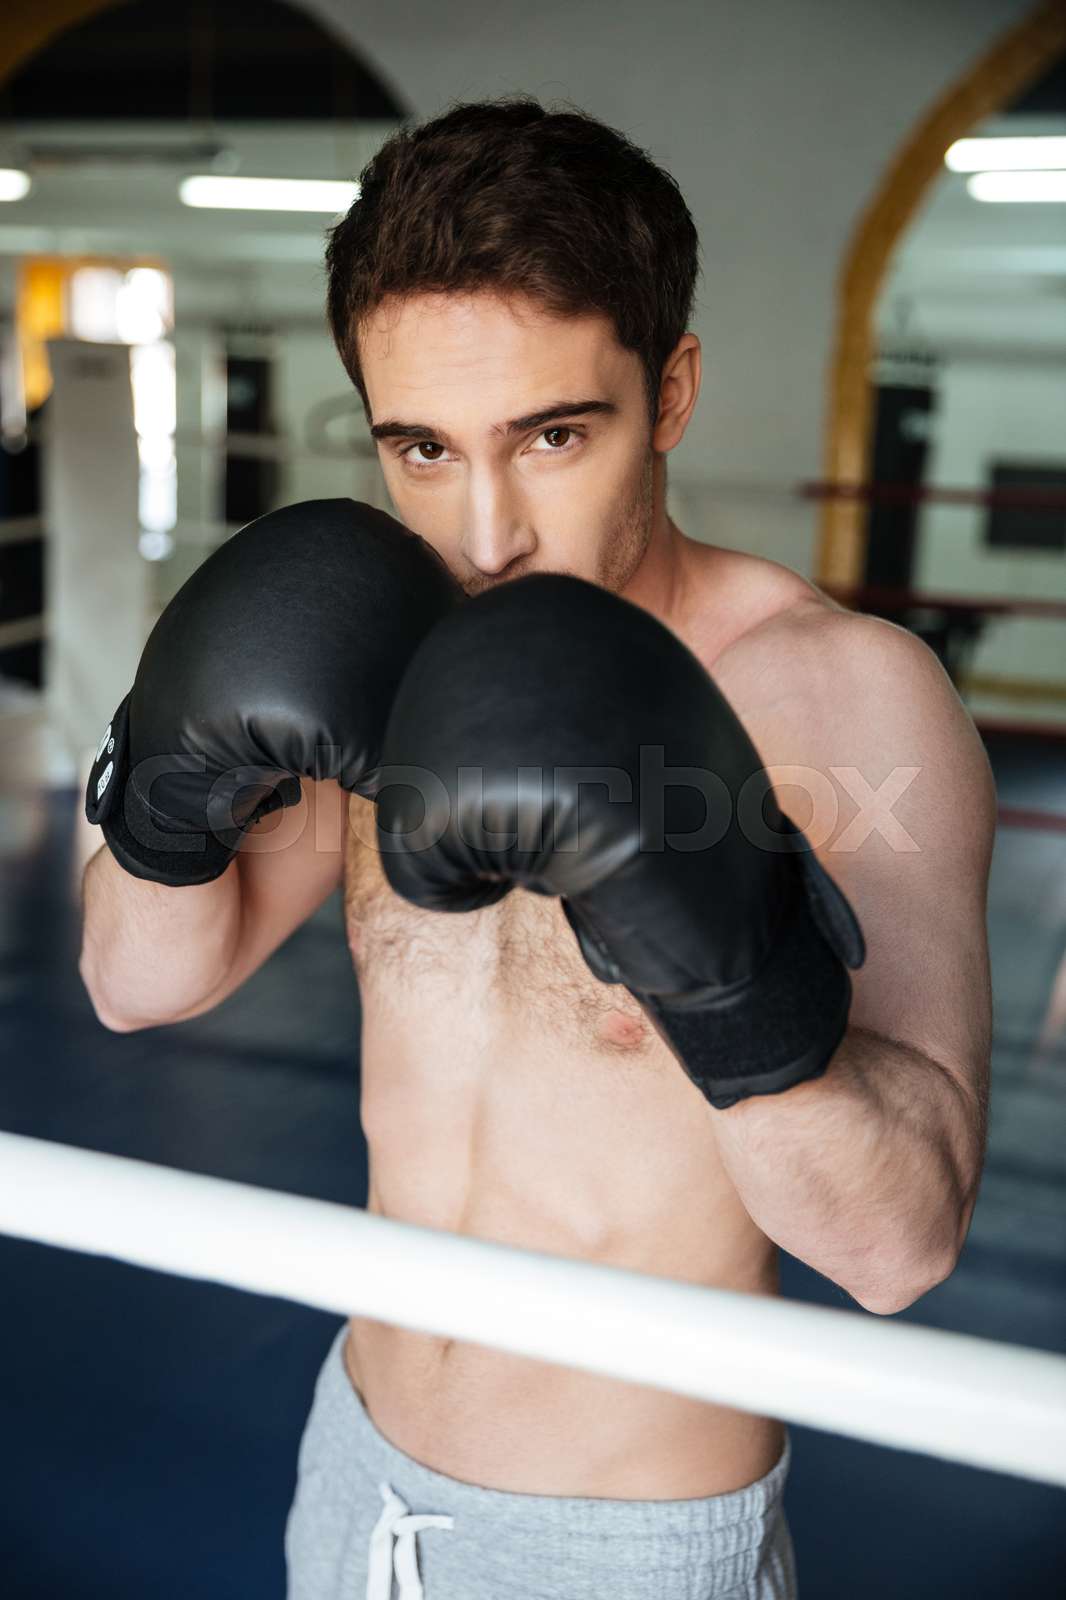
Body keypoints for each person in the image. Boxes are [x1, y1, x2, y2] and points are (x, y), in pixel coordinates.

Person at [80, 98, 995, 1600]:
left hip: (622, 1541)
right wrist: (165, 789)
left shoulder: (836, 696)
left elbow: (897, 1246)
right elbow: (133, 985)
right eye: (421, 448)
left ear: (673, 389)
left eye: (551, 435)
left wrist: (728, 958)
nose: (485, 528)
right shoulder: (384, 644)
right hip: (355, 1467)